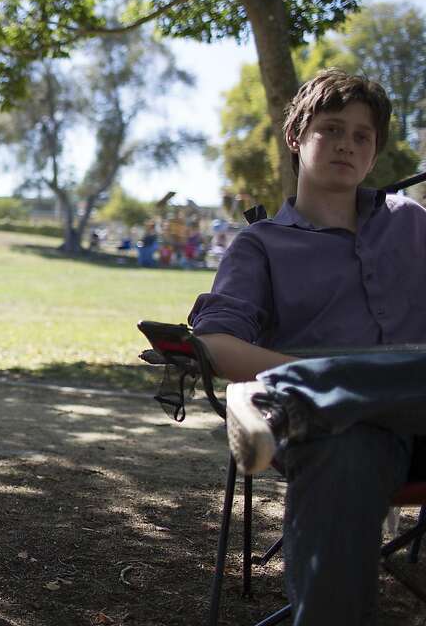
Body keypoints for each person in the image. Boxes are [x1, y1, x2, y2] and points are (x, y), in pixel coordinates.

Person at [188, 69, 426, 625]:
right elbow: (216, 343)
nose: (347, 143)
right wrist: (323, 375)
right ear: (297, 136)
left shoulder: (413, 224)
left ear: (375, 153)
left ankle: (293, 398)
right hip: (342, 437)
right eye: (332, 128)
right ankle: (307, 399)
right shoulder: (262, 245)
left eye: (363, 136)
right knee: (343, 457)